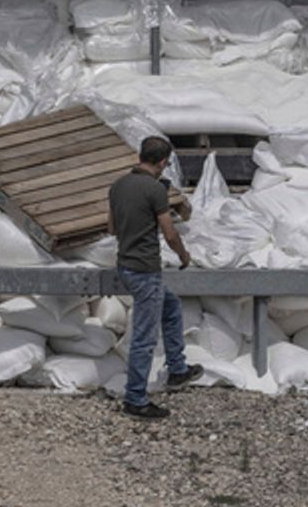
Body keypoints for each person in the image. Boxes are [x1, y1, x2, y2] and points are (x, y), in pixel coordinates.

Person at [108, 135, 203, 419]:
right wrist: (184, 256)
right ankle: (135, 399)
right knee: (144, 339)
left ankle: (177, 370)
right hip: (145, 270)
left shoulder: (118, 186)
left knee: (171, 307)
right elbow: (170, 232)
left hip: (125, 266)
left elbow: (112, 228)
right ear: (163, 162)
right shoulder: (155, 190)